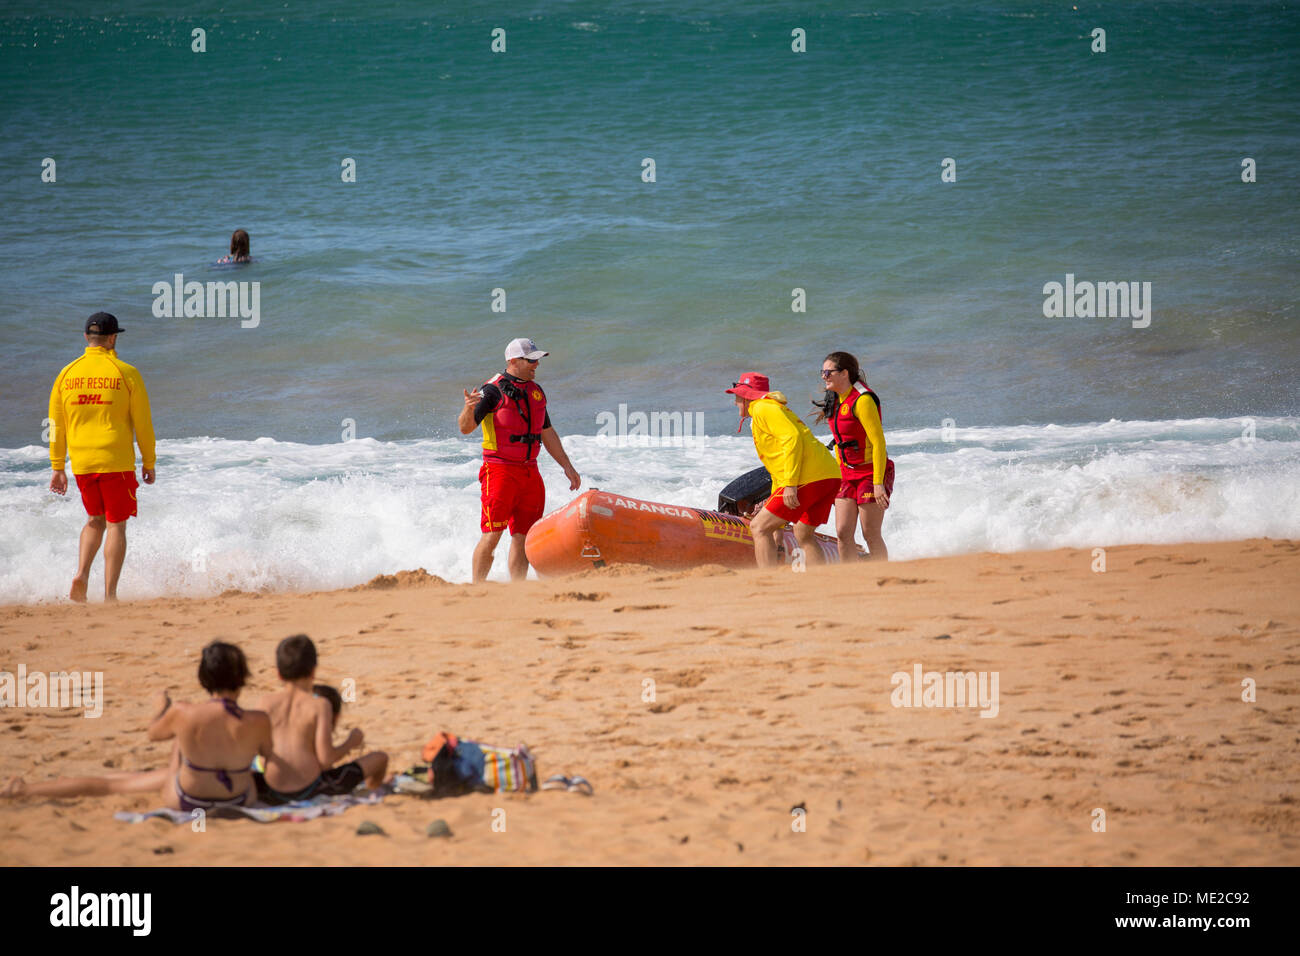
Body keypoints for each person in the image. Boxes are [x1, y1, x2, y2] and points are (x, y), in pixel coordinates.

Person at [48, 312, 157, 603]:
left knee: (93, 520)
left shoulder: (66, 374)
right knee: (115, 525)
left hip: (82, 462)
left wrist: (58, 467)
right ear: (113, 339)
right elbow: (143, 423)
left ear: (87, 338)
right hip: (115, 461)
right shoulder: (126, 372)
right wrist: (149, 461)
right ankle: (110, 595)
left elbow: (55, 425)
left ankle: (82, 573)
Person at [457, 338, 581, 583]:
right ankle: (476, 588)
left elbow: (546, 432)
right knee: (493, 534)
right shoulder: (491, 390)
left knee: (525, 537)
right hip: (499, 472)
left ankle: (518, 589)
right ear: (513, 361)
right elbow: (466, 428)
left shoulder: (536, 391)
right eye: (530, 360)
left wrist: (567, 466)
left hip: (530, 473)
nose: (536, 365)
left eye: (537, 360)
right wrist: (468, 409)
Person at [252, 634, 388, 805]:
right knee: (380, 758)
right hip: (311, 790)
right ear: (313, 671)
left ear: (278, 673)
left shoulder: (265, 703)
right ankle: (372, 791)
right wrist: (351, 743)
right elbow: (325, 760)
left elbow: (256, 751)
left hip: (270, 790)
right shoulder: (319, 705)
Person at [726, 372, 842, 568]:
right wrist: (774, 501)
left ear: (746, 396)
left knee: (759, 527)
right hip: (828, 475)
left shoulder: (762, 407)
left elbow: (793, 438)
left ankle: (768, 581)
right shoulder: (771, 408)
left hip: (809, 477)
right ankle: (822, 580)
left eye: (737, 396)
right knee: (803, 533)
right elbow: (778, 467)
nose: (735, 402)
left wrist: (790, 485)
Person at [149, 641, 274, 813]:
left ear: (204, 678)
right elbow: (268, 757)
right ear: (242, 678)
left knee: (182, 735)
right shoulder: (259, 720)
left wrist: (161, 707)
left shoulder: (183, 712)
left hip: (188, 800)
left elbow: (153, 734)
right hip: (239, 799)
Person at [816, 351, 894, 561]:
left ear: (844, 373)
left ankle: (882, 575)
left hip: (871, 471)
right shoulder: (834, 397)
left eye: (828, 372)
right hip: (846, 473)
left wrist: (878, 483)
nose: (824, 376)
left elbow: (878, 442)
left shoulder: (863, 399)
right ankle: (849, 578)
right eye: (822, 372)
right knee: (842, 532)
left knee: (870, 533)